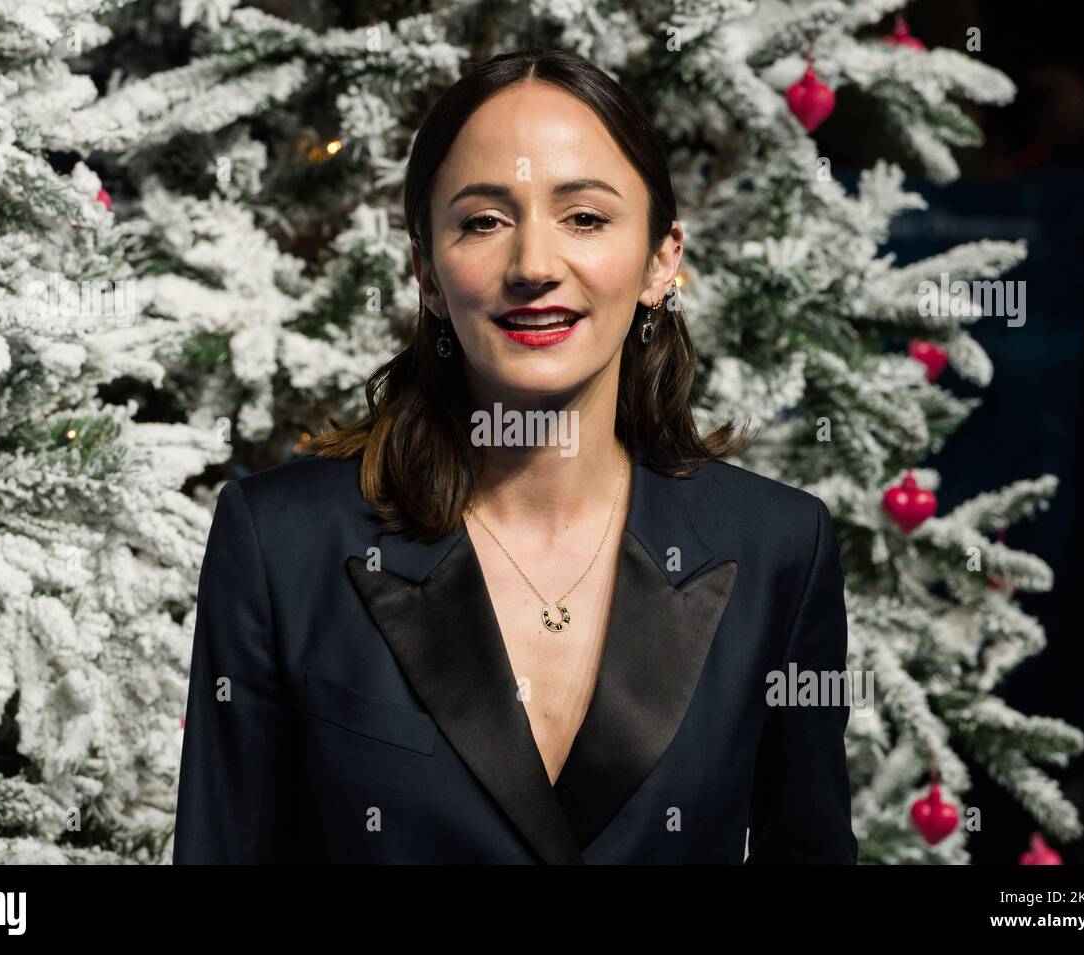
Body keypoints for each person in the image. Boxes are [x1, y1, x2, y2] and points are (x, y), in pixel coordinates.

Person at [172, 48, 857, 864]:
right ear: (427, 270)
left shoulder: (782, 545)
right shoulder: (279, 542)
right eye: (484, 221)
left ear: (661, 260)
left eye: (586, 218)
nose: (533, 265)